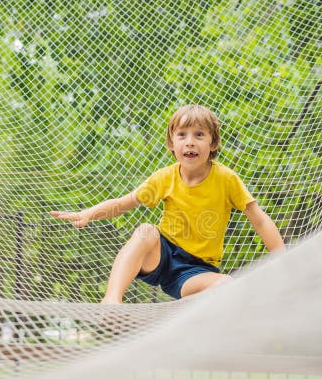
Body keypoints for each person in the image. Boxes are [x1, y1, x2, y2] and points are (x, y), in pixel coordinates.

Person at [50, 104, 285, 304]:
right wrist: (89, 213)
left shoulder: (227, 179)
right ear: (172, 144)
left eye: (199, 135)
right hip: (162, 255)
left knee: (226, 284)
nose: (190, 142)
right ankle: (111, 299)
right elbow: (124, 203)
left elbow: (260, 220)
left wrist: (283, 258)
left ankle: (184, 318)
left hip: (196, 270)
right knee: (146, 231)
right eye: (182, 135)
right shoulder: (165, 177)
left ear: (213, 144)